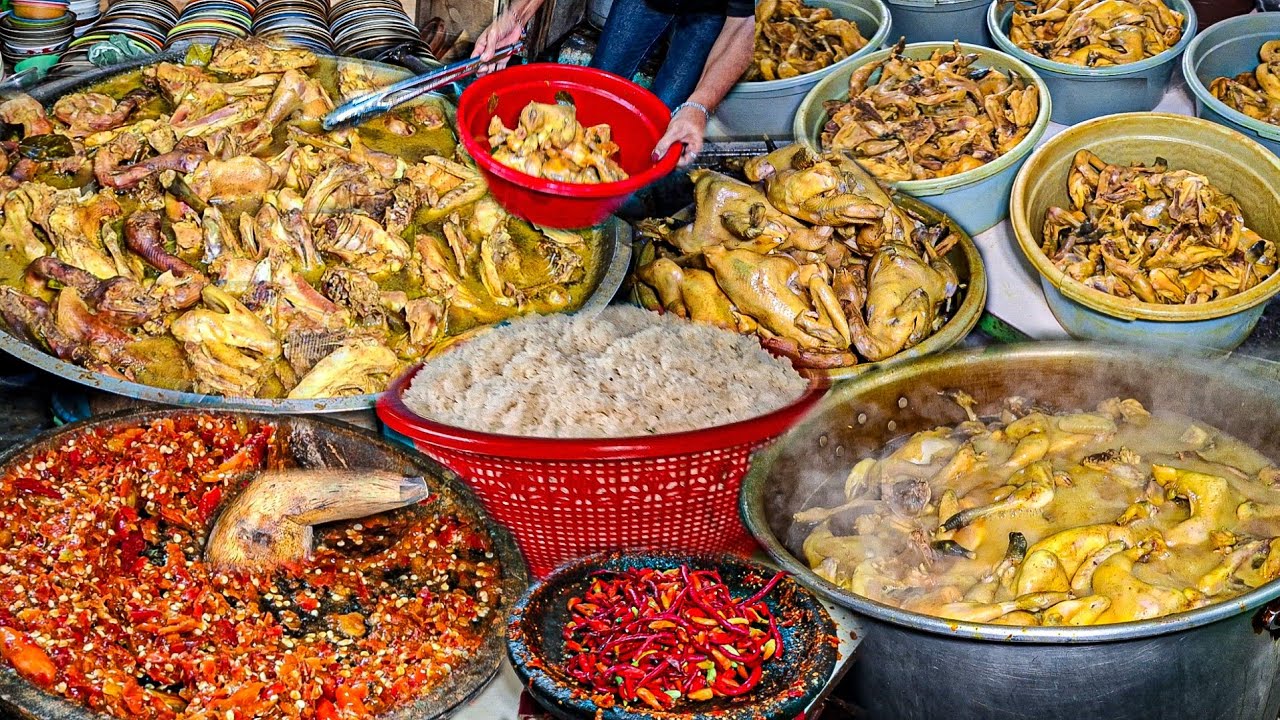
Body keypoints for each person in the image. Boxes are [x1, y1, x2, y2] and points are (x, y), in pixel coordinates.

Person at [472, 0, 755, 166]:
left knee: (667, 118)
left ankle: (629, 195)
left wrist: (699, 106)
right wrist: (515, 16)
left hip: (711, 11)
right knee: (599, 84)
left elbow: (743, 25)